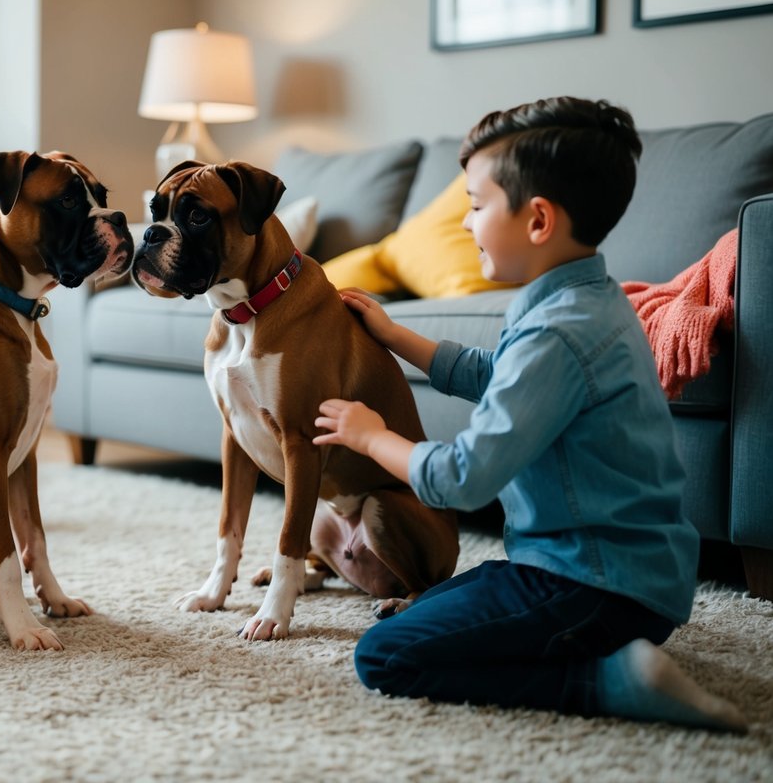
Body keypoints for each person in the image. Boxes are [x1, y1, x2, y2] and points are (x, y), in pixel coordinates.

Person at [312, 96, 747, 733]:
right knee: (420, 609)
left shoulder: (556, 334)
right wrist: (396, 336)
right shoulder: (585, 300)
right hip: (616, 573)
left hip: (593, 587)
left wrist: (373, 438)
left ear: (538, 220)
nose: (465, 224)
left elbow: (464, 477)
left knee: (384, 654)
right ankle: (600, 649)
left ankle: (606, 679)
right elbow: (500, 378)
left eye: (477, 205)